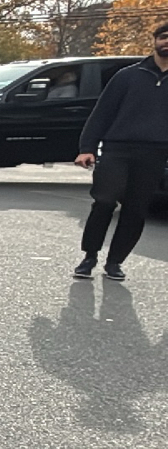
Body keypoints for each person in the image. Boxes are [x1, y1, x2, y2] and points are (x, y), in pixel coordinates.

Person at [72, 21, 168, 281]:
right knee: (104, 201)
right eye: (163, 37)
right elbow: (102, 113)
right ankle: (89, 256)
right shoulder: (128, 76)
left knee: (136, 210)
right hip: (117, 149)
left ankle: (115, 262)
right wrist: (87, 147)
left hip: (155, 153)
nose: (166, 42)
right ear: (155, 41)